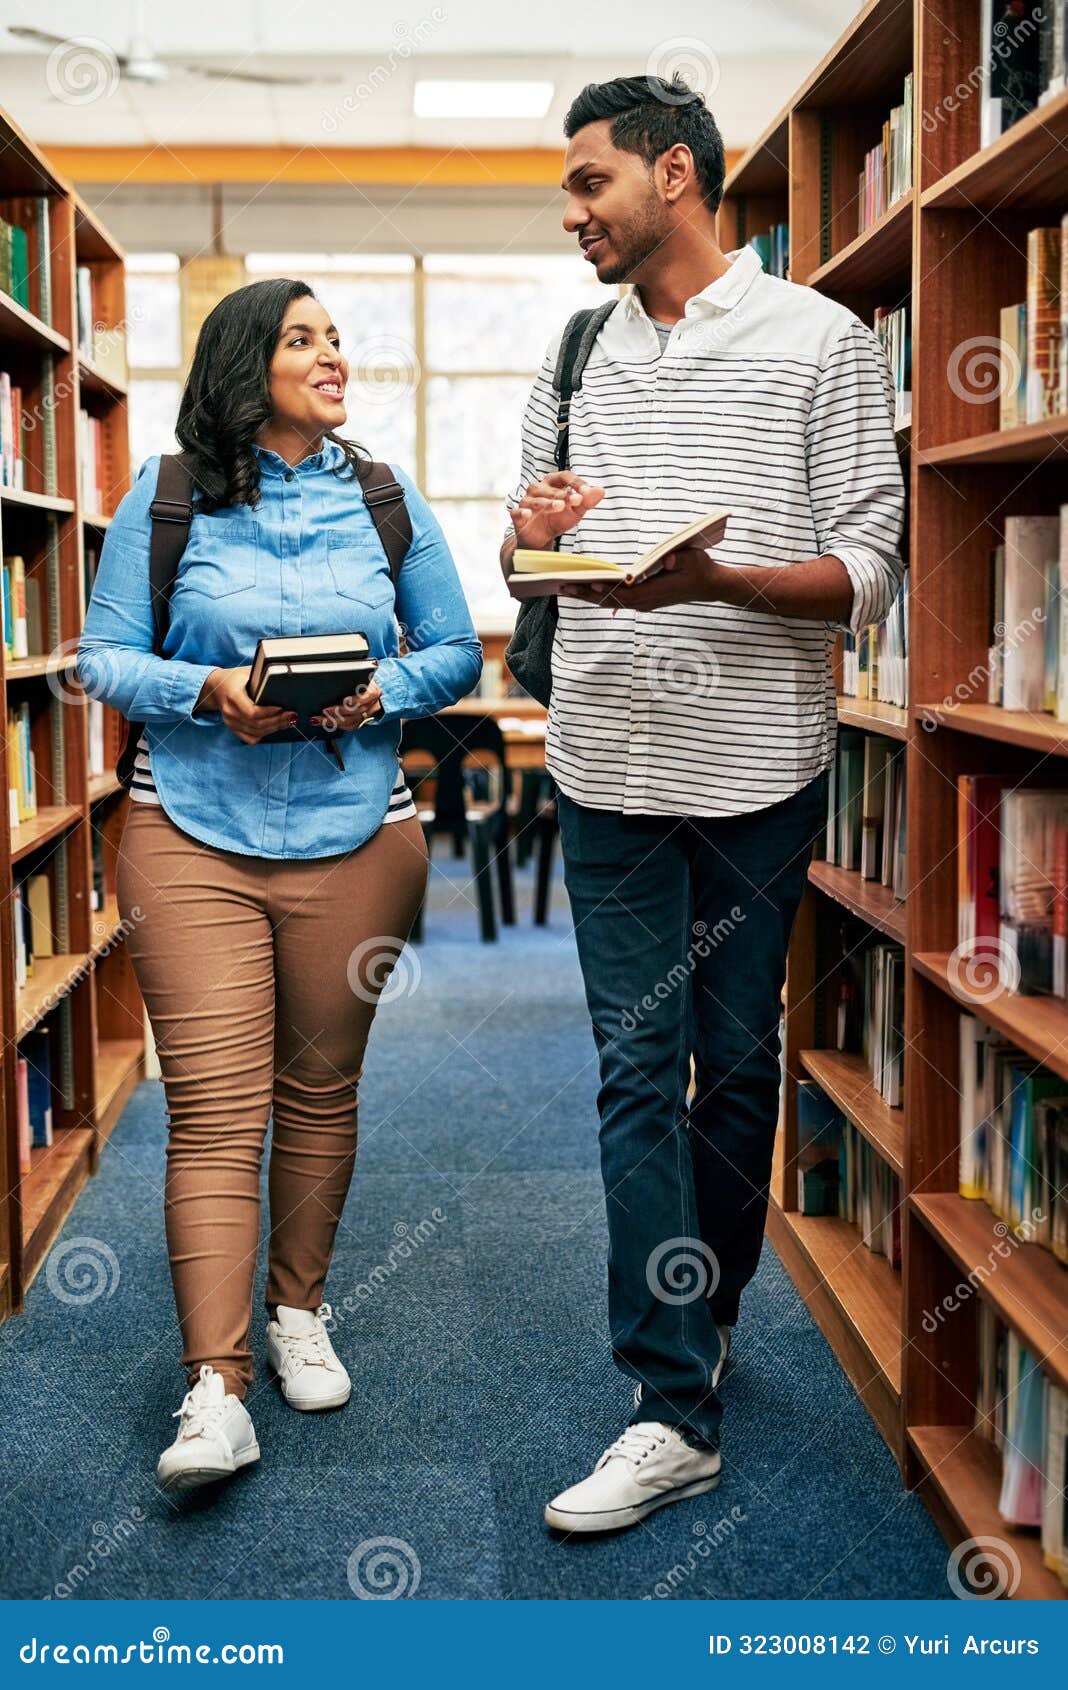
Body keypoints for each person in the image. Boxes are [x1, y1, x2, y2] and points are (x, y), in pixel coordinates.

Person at [502, 75, 905, 1534]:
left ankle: (708, 1303)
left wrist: (720, 579)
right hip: (605, 761)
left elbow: (870, 568)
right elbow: (520, 555)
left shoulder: (825, 341)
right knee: (633, 1068)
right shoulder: (572, 348)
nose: (573, 213)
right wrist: (532, 539)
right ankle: (671, 1404)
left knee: (738, 1070)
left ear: (676, 175)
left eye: (591, 182)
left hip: (757, 771)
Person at [77, 277, 481, 1494]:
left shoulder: (384, 495)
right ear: (245, 364)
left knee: (319, 1089)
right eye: (304, 338)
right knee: (212, 1109)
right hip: (188, 829)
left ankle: (299, 1307)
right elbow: (101, 656)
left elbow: (455, 648)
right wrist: (208, 693)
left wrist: (381, 695)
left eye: (339, 338)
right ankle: (217, 1385)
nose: (333, 355)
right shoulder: (166, 494)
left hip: (359, 830)